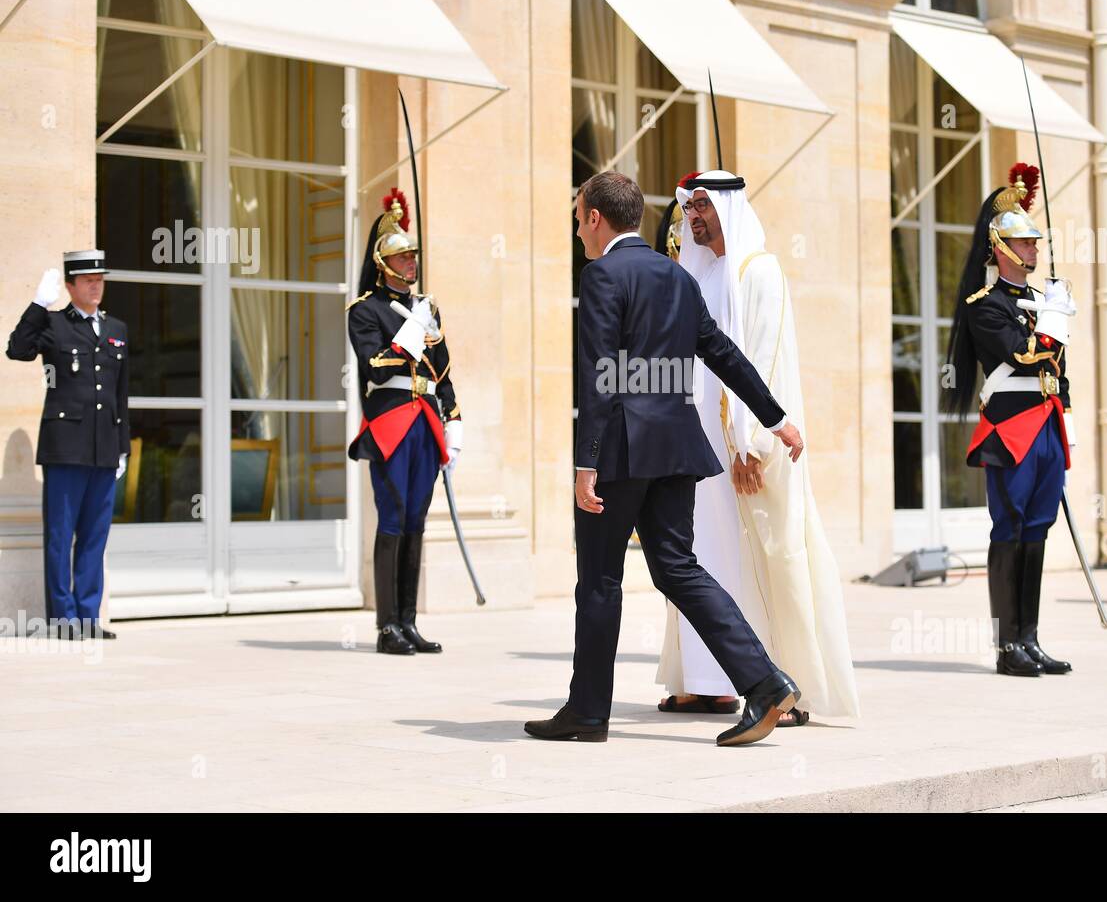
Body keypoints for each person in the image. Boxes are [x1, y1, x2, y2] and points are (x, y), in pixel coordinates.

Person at [524, 171, 805, 746]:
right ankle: (764, 682)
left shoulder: (602, 274)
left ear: (597, 218)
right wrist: (776, 419)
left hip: (623, 452)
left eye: (579, 219)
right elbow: (723, 352)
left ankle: (587, 713)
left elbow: (599, 376)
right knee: (677, 568)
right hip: (677, 449)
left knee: (599, 580)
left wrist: (586, 463)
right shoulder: (677, 276)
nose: (579, 231)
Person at [653, 170, 859, 726]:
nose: (693, 216)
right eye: (688, 207)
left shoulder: (757, 271)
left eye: (702, 205)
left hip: (750, 449)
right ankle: (708, 682)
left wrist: (751, 446)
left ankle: (788, 689)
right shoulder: (701, 272)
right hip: (700, 450)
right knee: (707, 559)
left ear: (728, 209)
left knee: (769, 560)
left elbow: (760, 361)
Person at [942, 163, 1077, 677]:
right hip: (1010, 428)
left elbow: (1059, 370)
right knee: (1010, 526)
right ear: (1000, 247)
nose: (1034, 250)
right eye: (1024, 244)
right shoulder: (985, 304)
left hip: (1046, 426)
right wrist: (1055, 321)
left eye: (1036, 243)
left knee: (1039, 529)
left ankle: (1030, 638)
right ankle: (1005, 647)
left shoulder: (1043, 301)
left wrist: (1065, 414)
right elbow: (1021, 354)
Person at [347, 189, 463, 655]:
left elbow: (444, 369)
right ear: (383, 262)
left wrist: (454, 420)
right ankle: (386, 627)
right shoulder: (365, 311)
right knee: (392, 515)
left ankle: (409, 622)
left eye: (413, 256)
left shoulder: (427, 308)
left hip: (426, 422)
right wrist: (411, 331)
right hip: (392, 421)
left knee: (416, 518)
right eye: (402, 257)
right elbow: (374, 364)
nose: (411, 264)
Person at [6, 250, 129, 639]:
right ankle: (63, 620)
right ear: (71, 285)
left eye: (100, 279)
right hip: (65, 447)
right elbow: (17, 349)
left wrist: (122, 444)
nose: (96, 285)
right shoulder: (54, 324)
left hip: (104, 447)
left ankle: (89, 618)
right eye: (88, 280)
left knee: (95, 535)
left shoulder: (117, 329)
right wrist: (38, 304)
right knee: (62, 535)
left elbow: (120, 393)